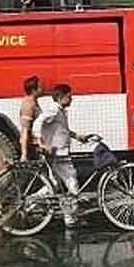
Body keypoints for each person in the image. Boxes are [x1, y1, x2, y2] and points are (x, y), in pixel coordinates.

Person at [32, 84, 95, 228]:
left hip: (58, 152)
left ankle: (30, 203)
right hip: (57, 153)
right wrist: (41, 142)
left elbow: (62, 129)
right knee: (72, 182)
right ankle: (71, 219)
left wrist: (77, 136)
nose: (71, 98)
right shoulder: (53, 110)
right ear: (60, 98)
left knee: (53, 184)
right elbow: (38, 122)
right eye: (69, 96)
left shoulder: (60, 111)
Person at [19, 76, 43, 161]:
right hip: (34, 146)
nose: (42, 89)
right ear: (33, 90)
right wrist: (24, 154)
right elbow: (25, 130)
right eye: (40, 87)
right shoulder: (28, 105)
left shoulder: (34, 102)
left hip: (39, 143)